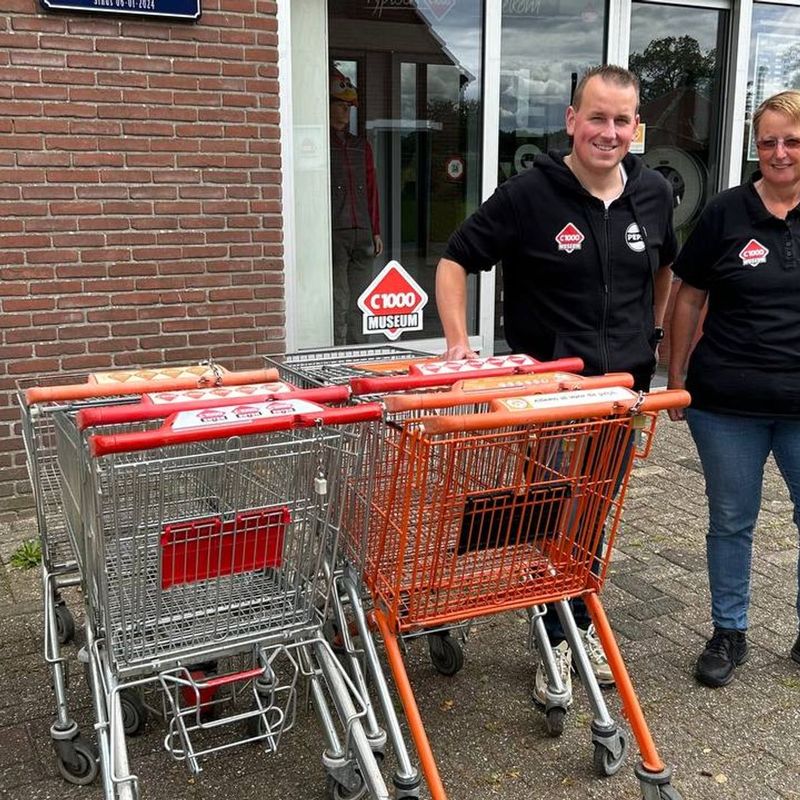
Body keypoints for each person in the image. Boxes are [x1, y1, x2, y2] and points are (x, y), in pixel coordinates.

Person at [435, 65, 677, 703]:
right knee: (551, 512)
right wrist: (458, 344)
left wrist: (652, 334)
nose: (608, 132)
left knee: (593, 514)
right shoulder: (528, 195)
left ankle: (573, 625)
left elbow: (664, 268)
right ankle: (556, 637)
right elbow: (455, 260)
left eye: (621, 120)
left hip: (620, 393)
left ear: (635, 127)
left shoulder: (653, 194)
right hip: (548, 394)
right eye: (596, 117)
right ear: (572, 120)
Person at [668, 89, 800, 688]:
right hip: (725, 404)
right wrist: (675, 375)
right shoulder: (725, 212)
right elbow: (688, 294)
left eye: (792, 141)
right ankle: (729, 631)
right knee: (730, 520)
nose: (780, 152)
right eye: (768, 141)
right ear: (756, 147)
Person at [329, 67, 383, 345]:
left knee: (361, 300)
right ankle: (338, 349)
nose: (345, 111)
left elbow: (371, 190)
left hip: (362, 231)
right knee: (339, 299)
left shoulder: (361, 146)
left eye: (348, 107)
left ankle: (359, 349)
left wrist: (375, 230)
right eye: (340, 104)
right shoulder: (320, 144)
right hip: (335, 233)